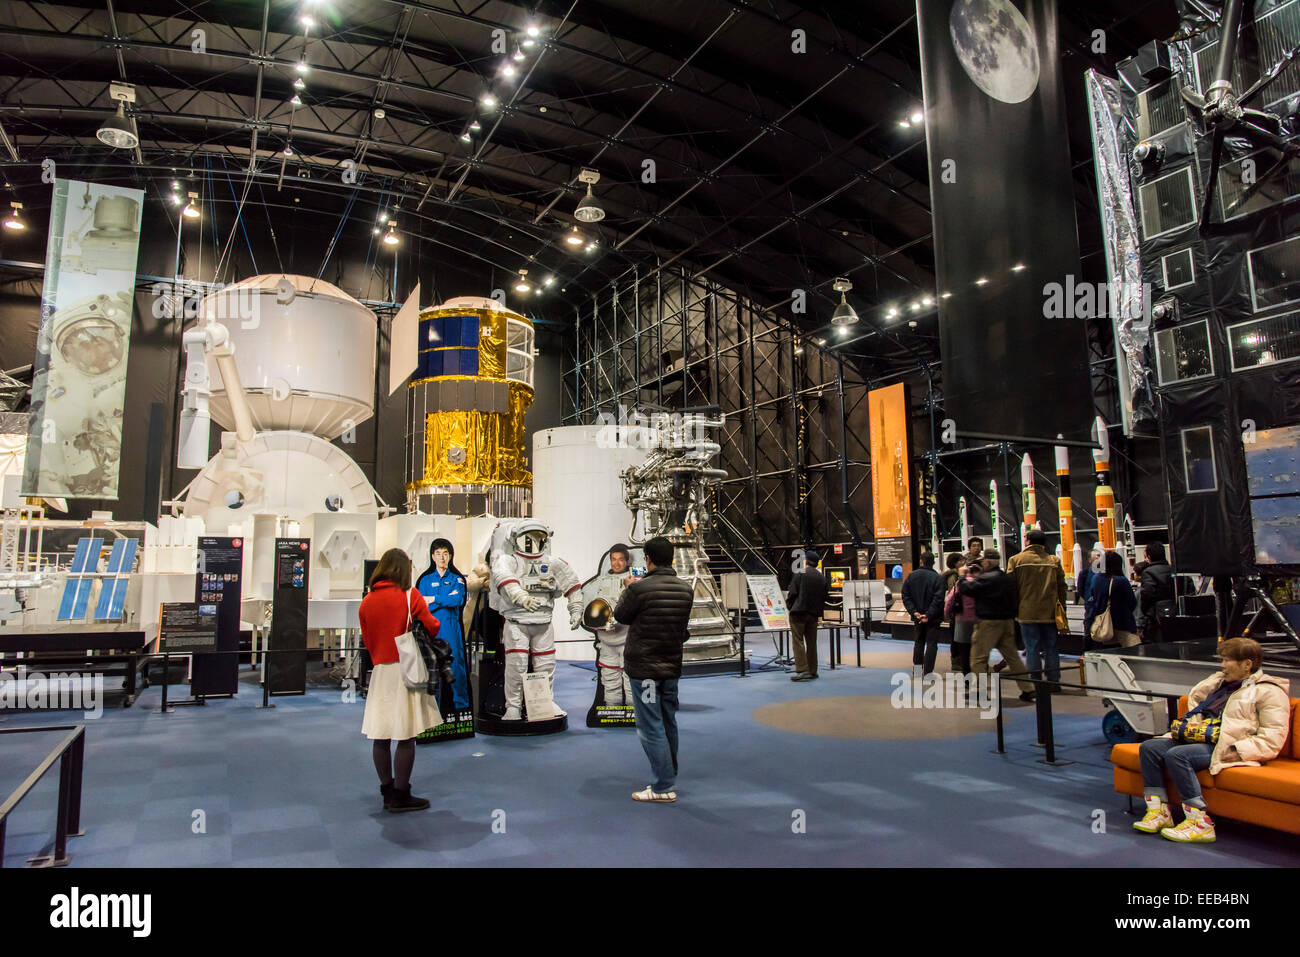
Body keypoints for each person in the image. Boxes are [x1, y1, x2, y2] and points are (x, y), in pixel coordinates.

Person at [1133, 637, 1291, 843]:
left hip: (1229, 745)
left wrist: (1235, 749)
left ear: (1247, 664)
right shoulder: (1221, 686)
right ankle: (1159, 812)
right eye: (1222, 660)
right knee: (1150, 748)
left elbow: (1272, 739)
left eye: (1227, 660)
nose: (1222, 665)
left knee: (1177, 755)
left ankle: (1200, 822)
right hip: (1203, 739)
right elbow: (1196, 701)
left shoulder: (1269, 691)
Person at [358, 548, 443, 812]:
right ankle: (401, 793)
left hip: (381, 671)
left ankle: (387, 790)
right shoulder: (410, 595)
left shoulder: (367, 601)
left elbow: (367, 638)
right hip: (406, 669)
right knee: (406, 735)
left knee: (381, 735)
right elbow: (433, 626)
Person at [613, 536, 694, 803]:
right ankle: (668, 774)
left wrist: (627, 589)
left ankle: (663, 786)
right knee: (668, 720)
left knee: (650, 726)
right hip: (671, 667)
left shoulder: (639, 590)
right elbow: (681, 631)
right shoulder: (685, 589)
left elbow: (621, 616)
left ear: (647, 558)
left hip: (645, 669)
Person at [490, 520, 584, 721]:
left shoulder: (552, 563)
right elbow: (503, 577)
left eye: (539, 538)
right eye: (528, 537)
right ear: (515, 539)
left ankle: (544, 703)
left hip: (543, 622)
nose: (533, 543)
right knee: (517, 666)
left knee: (546, 665)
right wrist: (521, 598)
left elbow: (573, 585)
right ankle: (513, 707)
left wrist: (576, 610)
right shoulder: (509, 560)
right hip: (517, 621)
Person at [958, 549, 1035, 701]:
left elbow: (967, 589)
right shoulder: (1004, 577)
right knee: (1013, 657)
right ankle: (1028, 689)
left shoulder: (987, 578)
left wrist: (962, 576)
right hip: (1007, 622)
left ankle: (978, 692)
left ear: (987, 561)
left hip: (988, 623)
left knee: (978, 659)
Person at [1007, 528, 1067, 692]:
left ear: (1027, 541)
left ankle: (1036, 682)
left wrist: (1013, 609)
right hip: (1050, 613)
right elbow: (1062, 588)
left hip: (1026, 612)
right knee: (1051, 648)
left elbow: (1011, 588)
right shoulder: (1054, 561)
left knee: (1031, 648)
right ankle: (1054, 682)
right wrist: (1063, 610)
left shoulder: (1016, 560)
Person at [415, 538, 470, 710]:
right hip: (430, 630)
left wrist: (434, 599)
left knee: (456, 668)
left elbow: (457, 600)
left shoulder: (457, 579)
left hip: (451, 629)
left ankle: (461, 706)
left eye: (445, 554)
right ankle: (432, 710)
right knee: (431, 669)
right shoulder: (424, 580)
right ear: (432, 556)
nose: (442, 558)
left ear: (450, 556)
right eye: (438, 554)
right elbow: (422, 604)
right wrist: (443, 600)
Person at [590, 544, 635, 706]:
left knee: (630, 680)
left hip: (627, 639)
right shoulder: (599, 582)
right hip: (606, 639)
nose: (616, 563)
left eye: (620, 560)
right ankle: (612, 709)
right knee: (610, 681)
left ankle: (633, 712)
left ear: (627, 561)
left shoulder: (635, 581)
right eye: (613, 560)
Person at [786, 548, 829, 681]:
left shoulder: (800, 573)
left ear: (805, 561)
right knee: (811, 642)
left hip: (798, 613)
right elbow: (824, 596)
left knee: (798, 641)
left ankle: (802, 670)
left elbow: (792, 593)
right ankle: (812, 670)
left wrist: (790, 607)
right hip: (813, 614)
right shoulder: (821, 577)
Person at [901, 552, 945, 676]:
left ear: (921, 561)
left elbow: (905, 595)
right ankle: (928, 672)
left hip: (918, 617)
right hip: (933, 618)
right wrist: (929, 614)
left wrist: (914, 612)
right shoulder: (938, 578)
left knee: (919, 642)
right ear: (933, 562)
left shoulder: (911, 576)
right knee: (932, 644)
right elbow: (938, 599)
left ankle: (918, 671)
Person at [1085, 551, 1140, 648]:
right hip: (1123, 624)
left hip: (1103, 625)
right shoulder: (1121, 581)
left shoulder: (1096, 578)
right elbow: (1132, 602)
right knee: (1131, 654)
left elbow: (1091, 599)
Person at [944, 561, 978, 675]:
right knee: (978, 650)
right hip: (978, 621)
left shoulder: (959, 583)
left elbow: (949, 601)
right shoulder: (980, 582)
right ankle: (978, 674)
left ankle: (967, 675)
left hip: (962, 621)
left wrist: (947, 615)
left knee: (964, 650)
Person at [1139, 543, 1175, 643]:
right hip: (1176, 613)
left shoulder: (1148, 572)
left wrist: (1146, 613)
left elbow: (1146, 595)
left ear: (1149, 557)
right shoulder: (1174, 570)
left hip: (1156, 617)